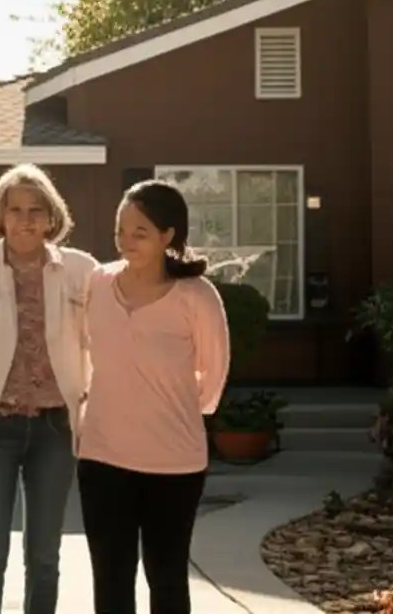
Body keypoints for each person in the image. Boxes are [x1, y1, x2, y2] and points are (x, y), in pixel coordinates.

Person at [0, 163, 97, 614]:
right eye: (15, 210)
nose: (26, 220)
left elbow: (103, 343)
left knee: (44, 558)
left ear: (52, 217)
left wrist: (90, 408)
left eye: (36, 210)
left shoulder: (81, 270)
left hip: (56, 428)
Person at [77, 179, 230, 614]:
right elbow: (81, 354)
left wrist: (168, 413)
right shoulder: (97, 283)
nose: (126, 242)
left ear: (168, 236)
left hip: (174, 464)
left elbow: (213, 380)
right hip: (103, 457)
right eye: (120, 231)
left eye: (139, 232)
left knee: (166, 579)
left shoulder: (198, 297)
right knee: (110, 581)